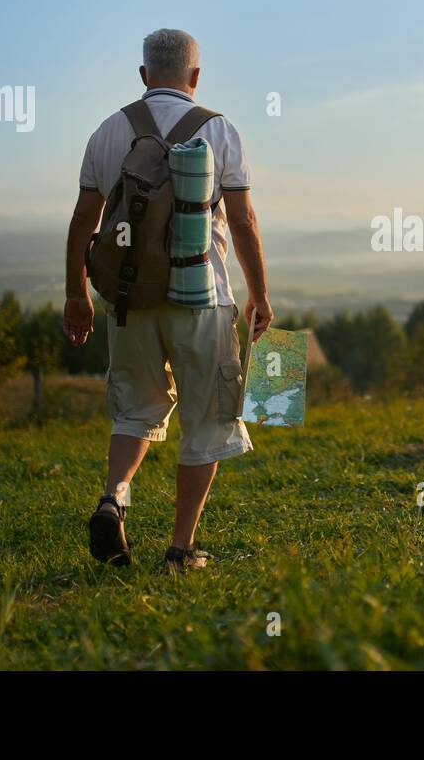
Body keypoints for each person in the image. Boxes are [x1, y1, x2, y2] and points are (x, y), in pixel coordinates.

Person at [63, 28, 272, 573]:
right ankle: (179, 552)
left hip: (129, 299)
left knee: (135, 408)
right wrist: (258, 295)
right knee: (207, 422)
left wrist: (75, 296)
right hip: (202, 299)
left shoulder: (110, 131)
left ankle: (114, 498)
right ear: (195, 77)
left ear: (143, 75)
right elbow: (244, 221)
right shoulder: (220, 130)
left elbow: (83, 223)